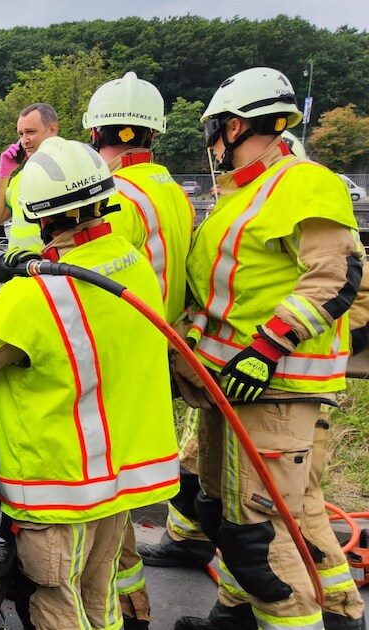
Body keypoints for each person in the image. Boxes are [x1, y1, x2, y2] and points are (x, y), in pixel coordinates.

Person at [0, 137, 180, 630]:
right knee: (99, 596)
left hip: (61, 486)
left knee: (56, 602)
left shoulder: (37, 297)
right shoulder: (131, 265)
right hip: (116, 481)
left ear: (36, 216)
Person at [174, 67, 364, 630]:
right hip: (232, 386)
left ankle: (292, 620)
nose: (210, 145)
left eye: (213, 131)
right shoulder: (246, 194)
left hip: (272, 386)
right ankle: (235, 616)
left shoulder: (302, 183)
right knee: (230, 513)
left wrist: (266, 348)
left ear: (234, 126)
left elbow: (333, 278)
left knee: (260, 534)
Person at [83, 71, 196, 630]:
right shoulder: (174, 193)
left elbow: (81, 273)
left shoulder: (117, 197)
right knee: (130, 487)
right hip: (162, 355)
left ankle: (124, 609)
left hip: (121, 359)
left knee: (107, 494)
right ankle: (130, 604)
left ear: (100, 133)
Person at [0, 103, 58, 253]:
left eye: (30, 132)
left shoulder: (69, 171)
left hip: (52, 269)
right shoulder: (21, 178)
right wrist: (4, 173)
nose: (24, 140)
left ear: (52, 129)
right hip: (20, 268)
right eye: (21, 134)